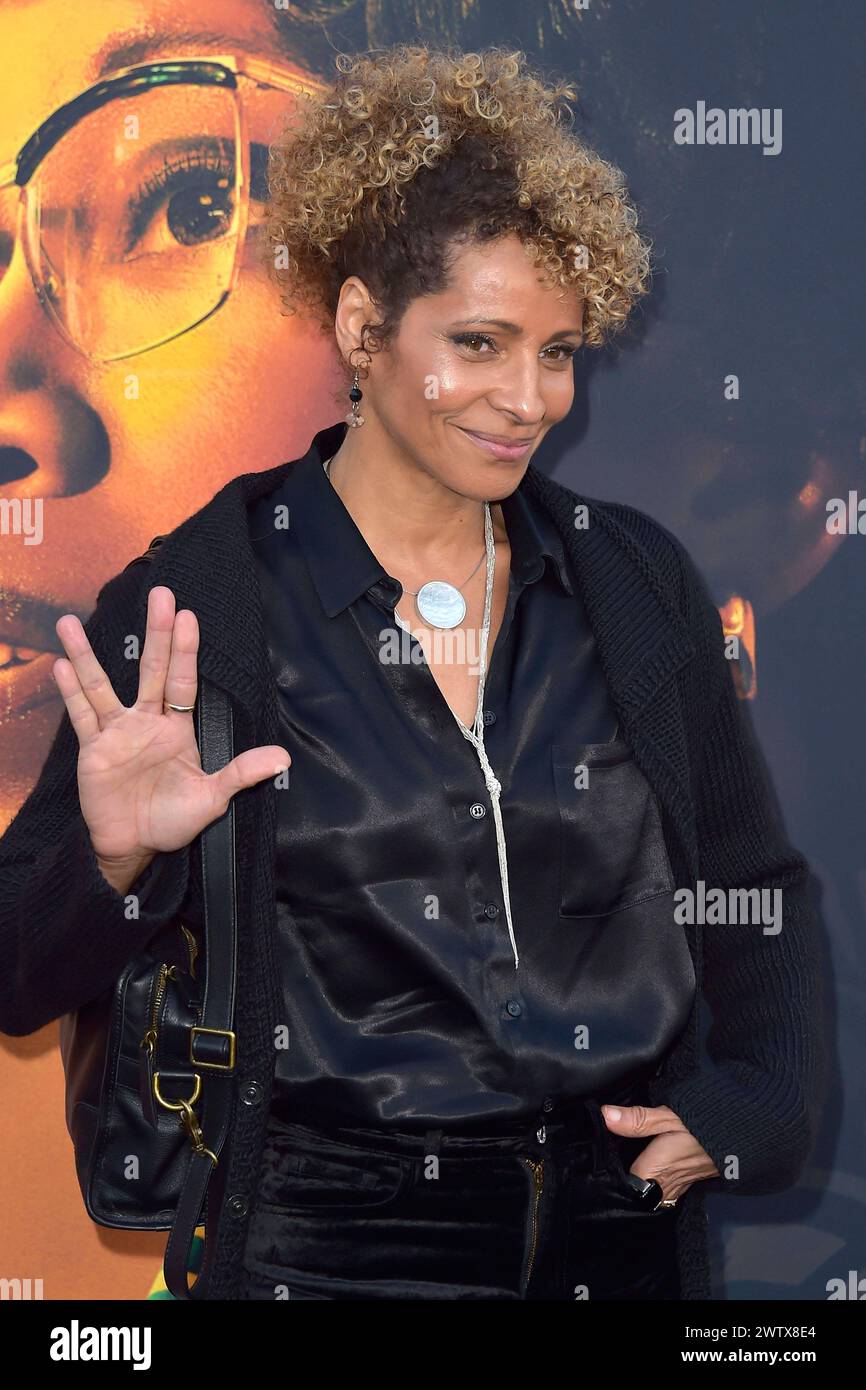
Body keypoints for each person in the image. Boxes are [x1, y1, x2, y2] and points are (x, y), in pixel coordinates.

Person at [0, 44, 824, 1301]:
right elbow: (19, 970)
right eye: (481, 343)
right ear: (360, 325)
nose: (529, 398)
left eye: (556, 351)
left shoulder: (630, 580)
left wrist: (746, 1106)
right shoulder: (200, 601)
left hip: (620, 1247)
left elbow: (754, 886)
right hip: (320, 1258)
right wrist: (112, 855)